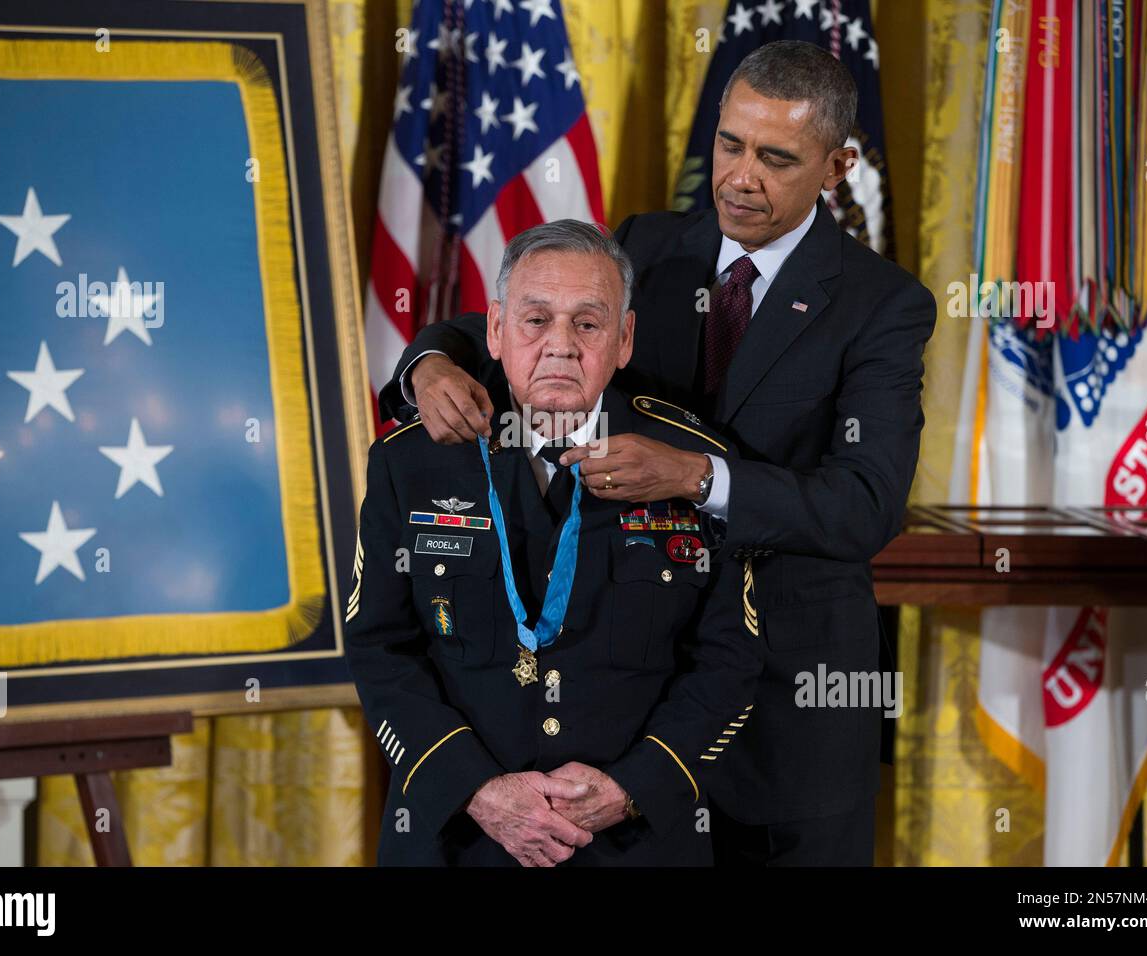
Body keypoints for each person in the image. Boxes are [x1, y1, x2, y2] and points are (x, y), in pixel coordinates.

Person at [378, 41, 937, 865]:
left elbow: (864, 506)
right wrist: (427, 362)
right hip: (633, 719)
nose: (741, 177)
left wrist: (695, 477)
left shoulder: (884, 304)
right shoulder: (649, 241)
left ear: (836, 165)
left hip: (786, 723)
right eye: (730, 144)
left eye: (776, 158)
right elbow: (532, 313)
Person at [346, 220, 760, 866]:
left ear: (623, 339)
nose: (561, 346)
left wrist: (634, 786)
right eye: (536, 320)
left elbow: (730, 660)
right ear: (495, 332)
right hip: (460, 838)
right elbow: (380, 647)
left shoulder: (693, 463)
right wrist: (477, 790)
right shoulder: (411, 462)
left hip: (634, 840)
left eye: (588, 324)